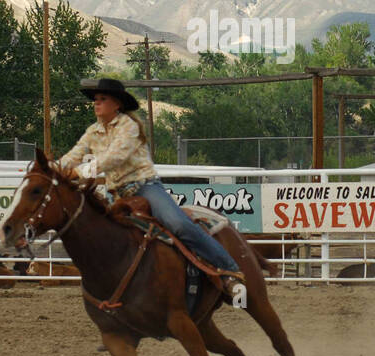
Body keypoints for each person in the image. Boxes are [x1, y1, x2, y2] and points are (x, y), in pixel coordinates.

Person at [58, 78, 243, 290]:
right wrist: (52, 169)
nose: (96, 103)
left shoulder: (128, 126)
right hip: (116, 194)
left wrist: (76, 173)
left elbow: (113, 157)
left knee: (178, 224)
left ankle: (229, 269)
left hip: (145, 188)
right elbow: (74, 154)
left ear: (117, 104)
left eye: (102, 99)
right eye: (95, 100)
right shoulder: (93, 131)